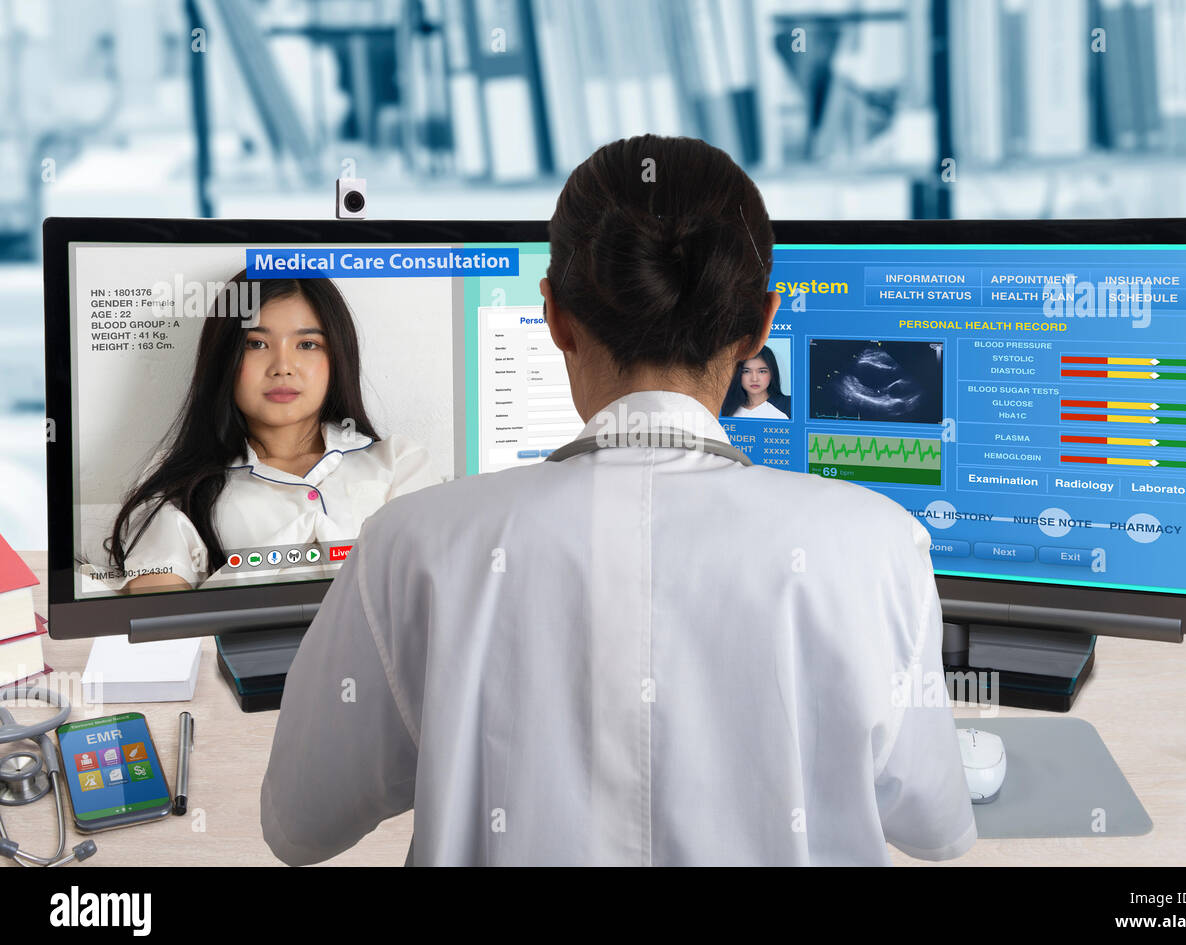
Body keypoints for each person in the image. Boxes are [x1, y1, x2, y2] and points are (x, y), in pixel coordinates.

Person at [260, 135, 976, 866]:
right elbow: (932, 826)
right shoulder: (879, 545)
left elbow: (300, 826)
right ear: (761, 324)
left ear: (556, 317)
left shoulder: (410, 545)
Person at [106, 272, 440, 594]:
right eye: (256, 343)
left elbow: (434, 588)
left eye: (307, 344)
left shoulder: (398, 464)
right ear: (225, 358)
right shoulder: (178, 485)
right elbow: (162, 620)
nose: (282, 365)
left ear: (338, 358)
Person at [721, 344, 790, 418]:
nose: (754, 379)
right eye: (746, 371)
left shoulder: (790, 405)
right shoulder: (725, 407)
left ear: (772, 373)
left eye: (762, 371)